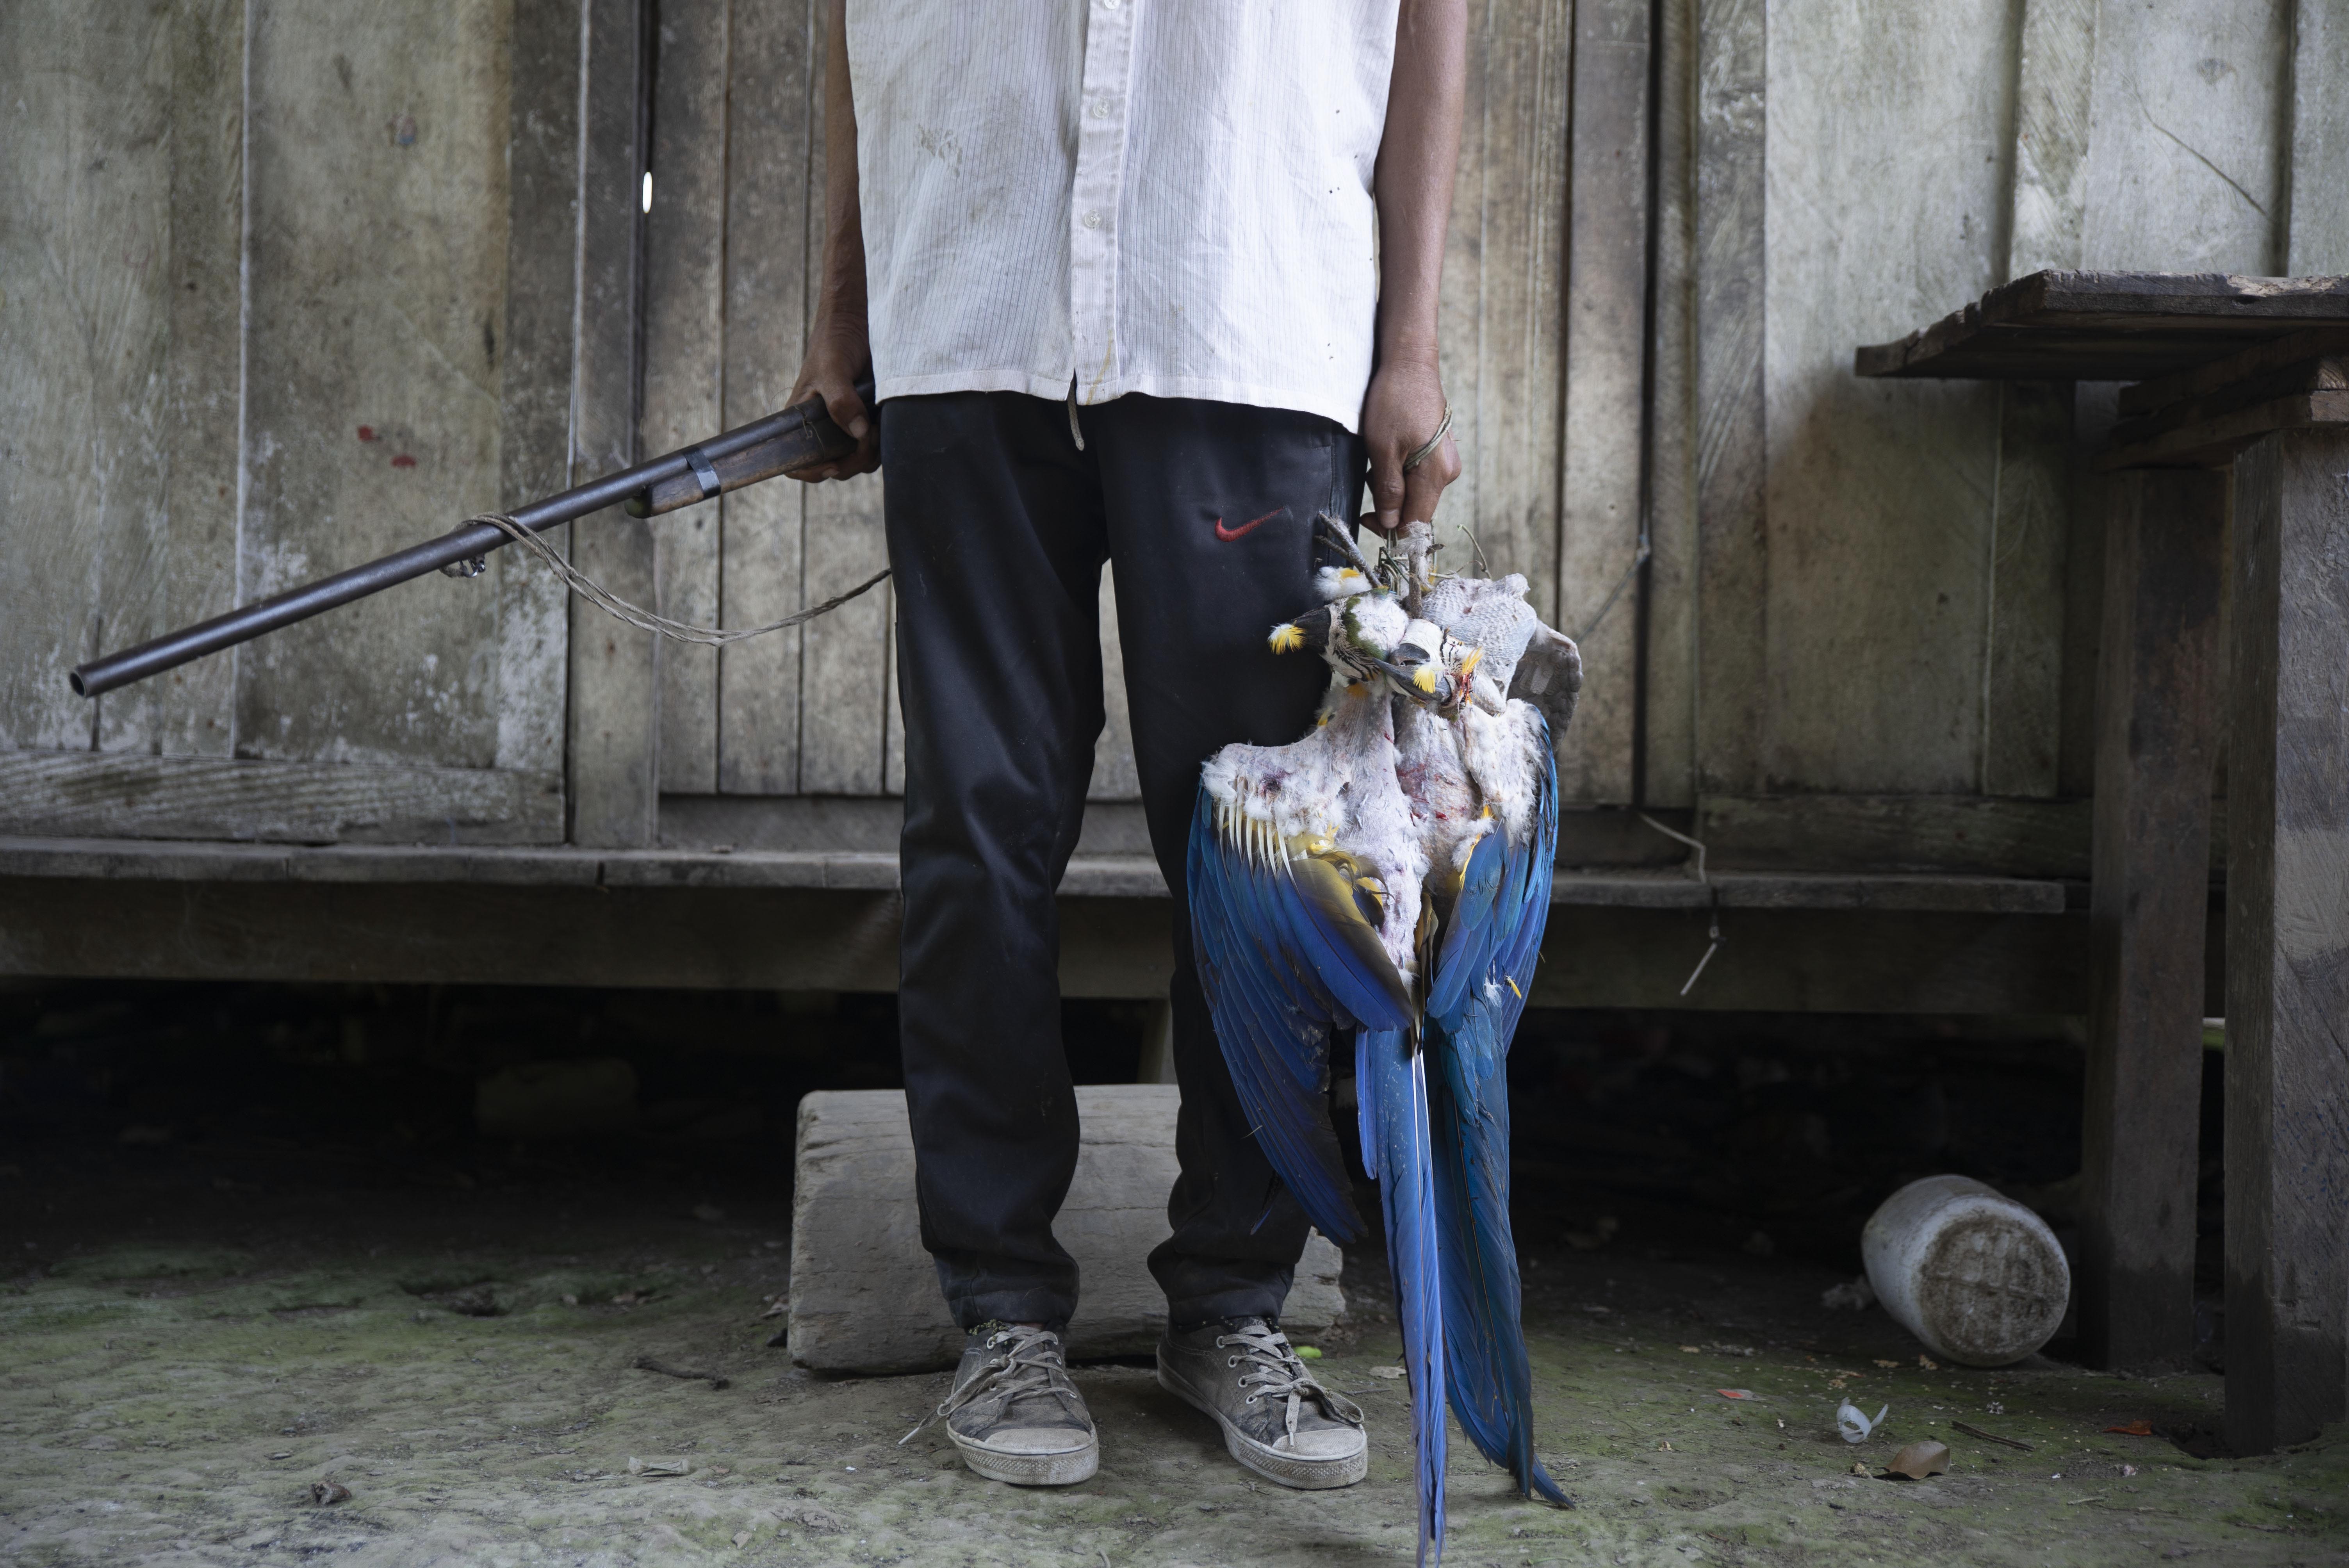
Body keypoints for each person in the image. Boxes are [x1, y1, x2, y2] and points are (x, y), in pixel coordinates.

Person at [786, 0, 1468, 1490]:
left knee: (1261, 850)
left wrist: (1408, 343)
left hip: (1240, 294)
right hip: (971, 297)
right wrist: (845, 302)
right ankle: (1001, 1308)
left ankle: (1231, 1301)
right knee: (976, 826)